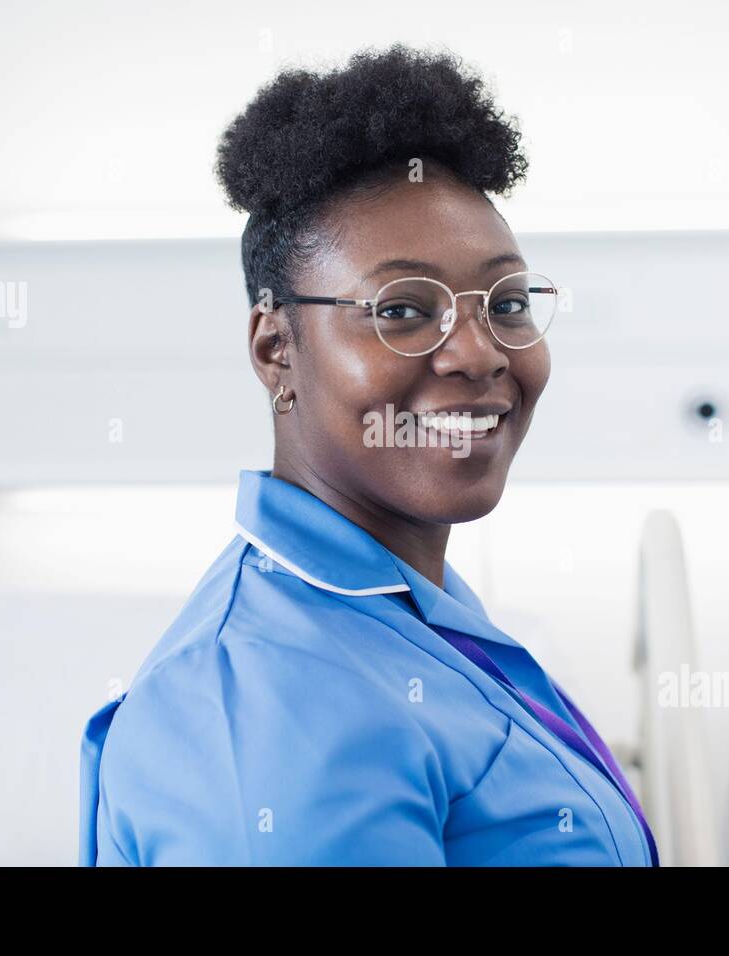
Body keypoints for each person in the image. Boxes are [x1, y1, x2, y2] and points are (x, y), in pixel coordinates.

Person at [78, 43, 657, 866]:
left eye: (508, 302)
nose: (479, 352)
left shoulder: (409, 612)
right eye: (404, 310)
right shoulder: (271, 706)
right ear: (277, 348)